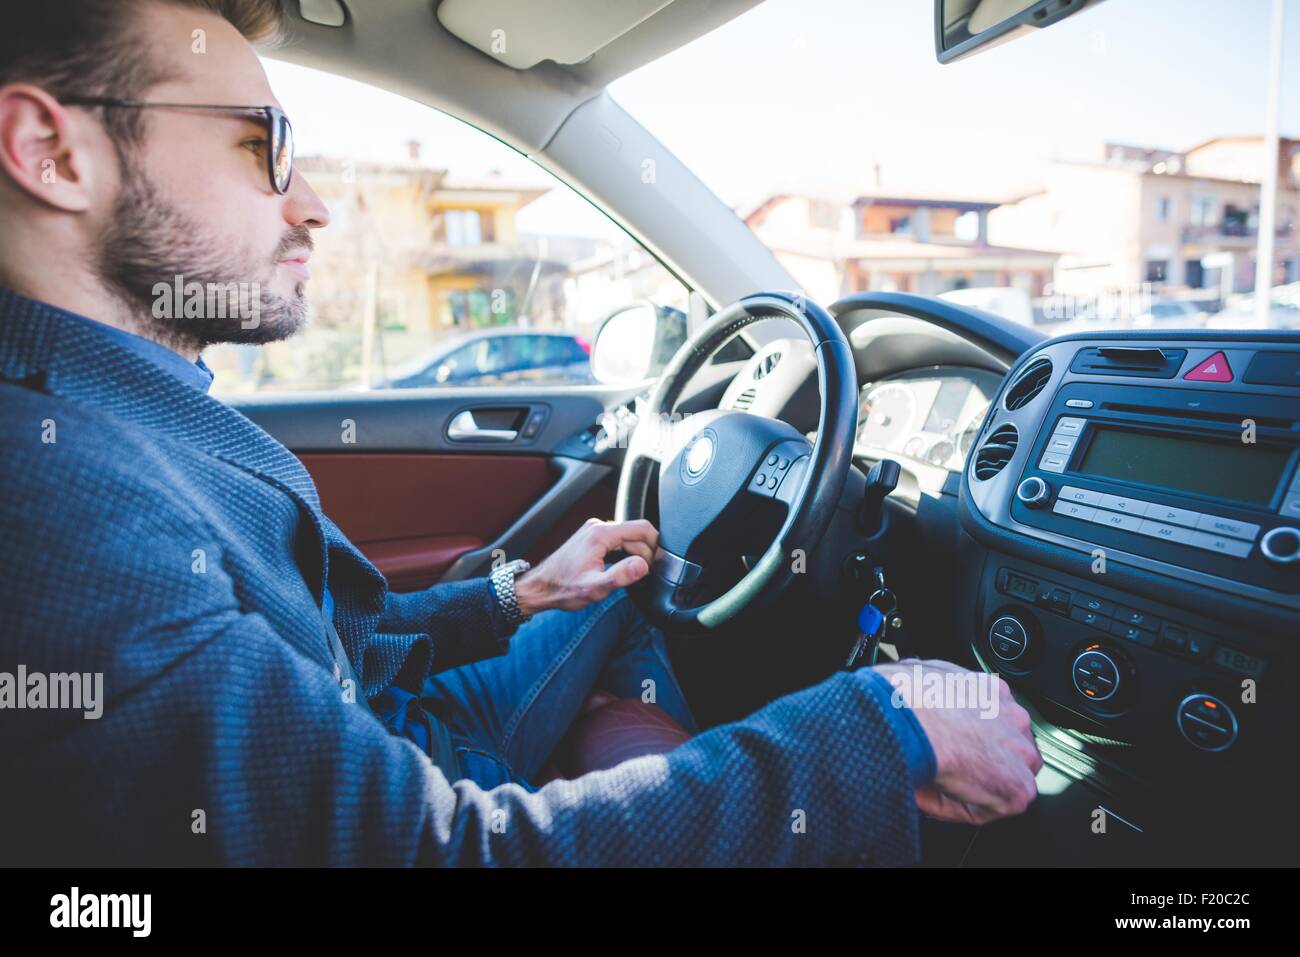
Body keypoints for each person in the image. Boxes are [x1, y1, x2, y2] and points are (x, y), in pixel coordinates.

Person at [0, 0, 1041, 865]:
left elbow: (323, 649)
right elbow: (438, 851)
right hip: (429, 777)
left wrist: (519, 593)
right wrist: (883, 725)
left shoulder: (116, 410)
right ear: (53, 152)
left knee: (631, 594)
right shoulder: (59, 506)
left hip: (390, 724)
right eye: (261, 144)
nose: (310, 203)